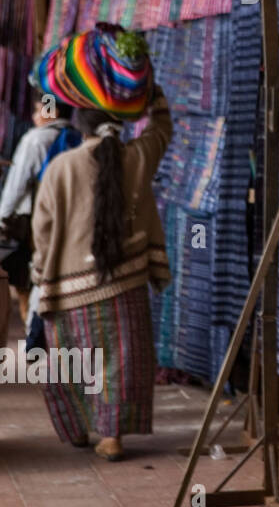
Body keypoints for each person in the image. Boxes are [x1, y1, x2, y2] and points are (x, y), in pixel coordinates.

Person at [30, 24, 170, 461]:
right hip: (124, 283)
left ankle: (80, 428)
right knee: (121, 363)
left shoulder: (61, 167)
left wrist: (39, 276)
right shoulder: (138, 157)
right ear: (121, 121)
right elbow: (162, 127)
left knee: (72, 360)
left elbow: (43, 230)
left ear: (78, 122)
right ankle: (113, 436)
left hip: (68, 288)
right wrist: (144, 84)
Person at [0, 93, 79, 329]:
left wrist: (2, 218)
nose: (34, 116)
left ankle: (34, 339)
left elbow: (16, 187)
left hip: (36, 228)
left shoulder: (36, 140)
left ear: (51, 110)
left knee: (33, 285)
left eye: (37, 110)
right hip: (70, 225)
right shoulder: (78, 137)